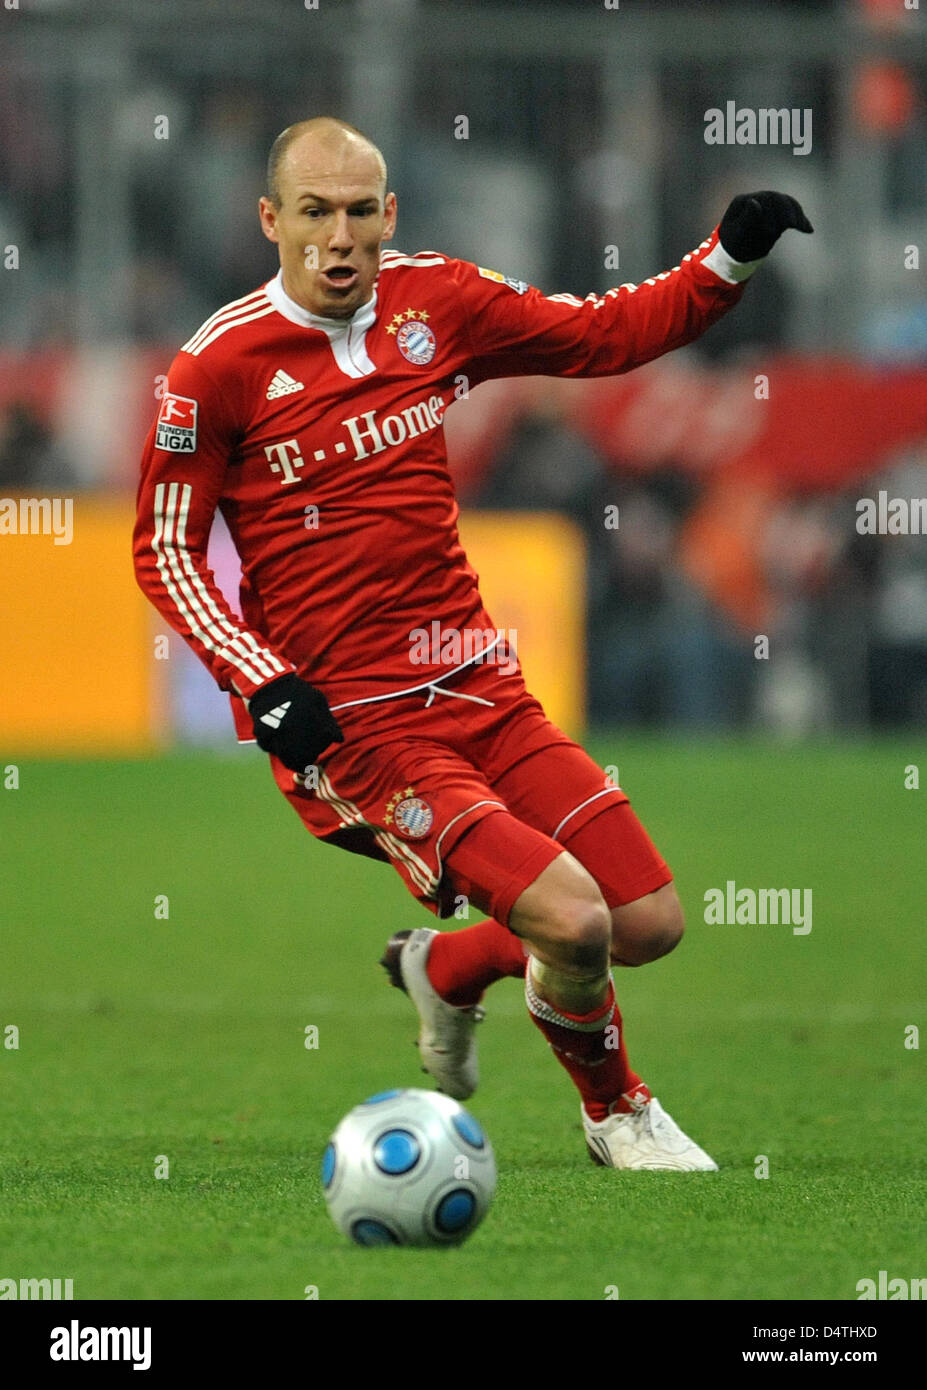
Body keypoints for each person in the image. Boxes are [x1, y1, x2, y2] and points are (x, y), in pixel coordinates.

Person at [133, 117, 811, 1170]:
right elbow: (165, 552)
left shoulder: (436, 301)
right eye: (315, 212)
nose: (341, 234)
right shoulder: (215, 368)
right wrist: (262, 680)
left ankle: (448, 969)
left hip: (480, 686)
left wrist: (726, 259)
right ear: (271, 221)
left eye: (361, 209)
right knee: (576, 925)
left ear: (390, 213)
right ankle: (617, 1113)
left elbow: (599, 334)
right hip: (358, 725)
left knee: (648, 920)